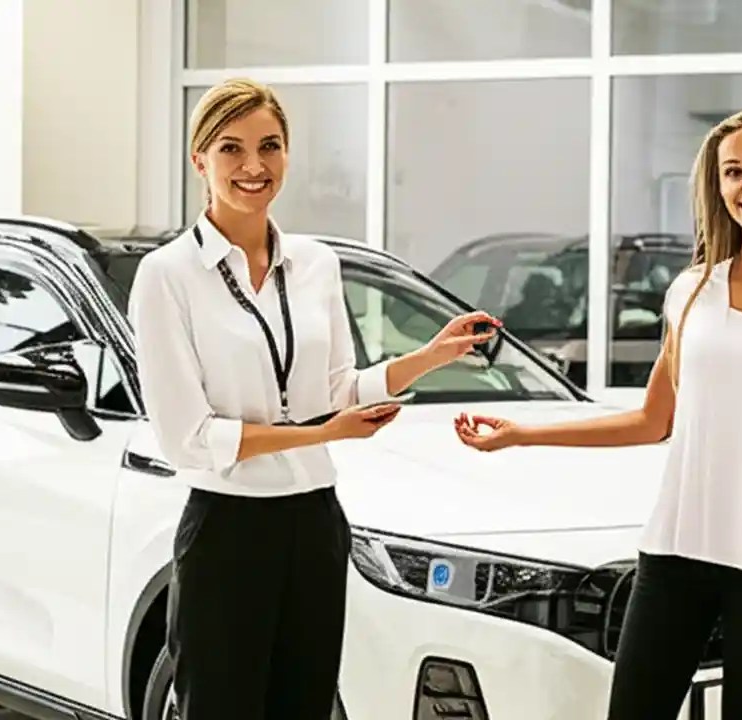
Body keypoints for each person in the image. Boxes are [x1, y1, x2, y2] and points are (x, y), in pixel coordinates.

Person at [454, 108, 742, 719]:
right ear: (716, 185)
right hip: (676, 553)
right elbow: (653, 420)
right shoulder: (693, 291)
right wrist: (523, 433)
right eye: (733, 172)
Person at [128, 77, 499, 720]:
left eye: (270, 146)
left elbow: (334, 391)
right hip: (227, 530)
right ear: (199, 161)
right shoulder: (168, 276)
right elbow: (188, 438)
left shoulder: (316, 263)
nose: (254, 166)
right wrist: (326, 435)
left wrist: (430, 355)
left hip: (316, 525)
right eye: (231, 148)